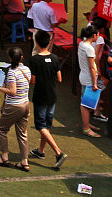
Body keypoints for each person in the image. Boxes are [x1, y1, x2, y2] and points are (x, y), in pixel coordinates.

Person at [29, 30, 68, 169]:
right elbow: (59, 78)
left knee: (41, 126)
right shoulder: (55, 58)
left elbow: (33, 81)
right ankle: (41, 151)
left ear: (37, 42)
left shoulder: (34, 60)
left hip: (40, 95)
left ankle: (58, 152)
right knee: (47, 125)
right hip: (52, 95)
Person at [0, 46, 32, 172]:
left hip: (14, 105)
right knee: (22, 133)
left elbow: (12, 91)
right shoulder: (26, 69)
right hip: (25, 104)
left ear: (9, 59)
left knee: (2, 129)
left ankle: (4, 157)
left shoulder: (12, 72)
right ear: (21, 57)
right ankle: (24, 161)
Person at [77, 25, 104, 137]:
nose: (98, 36)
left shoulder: (82, 44)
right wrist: (95, 82)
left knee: (86, 104)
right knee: (86, 105)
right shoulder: (89, 48)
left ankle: (87, 124)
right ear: (94, 35)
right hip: (88, 79)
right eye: (97, 34)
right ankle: (86, 128)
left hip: (83, 76)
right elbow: (92, 67)